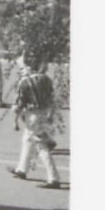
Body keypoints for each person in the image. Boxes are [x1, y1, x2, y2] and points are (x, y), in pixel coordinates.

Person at [10, 57, 65, 189]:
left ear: (29, 68)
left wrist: (15, 120)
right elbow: (52, 98)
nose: (21, 71)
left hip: (32, 115)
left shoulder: (25, 82)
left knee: (40, 145)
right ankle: (21, 169)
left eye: (22, 68)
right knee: (28, 139)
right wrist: (51, 114)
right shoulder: (46, 79)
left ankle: (53, 178)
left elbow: (19, 104)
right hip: (44, 113)